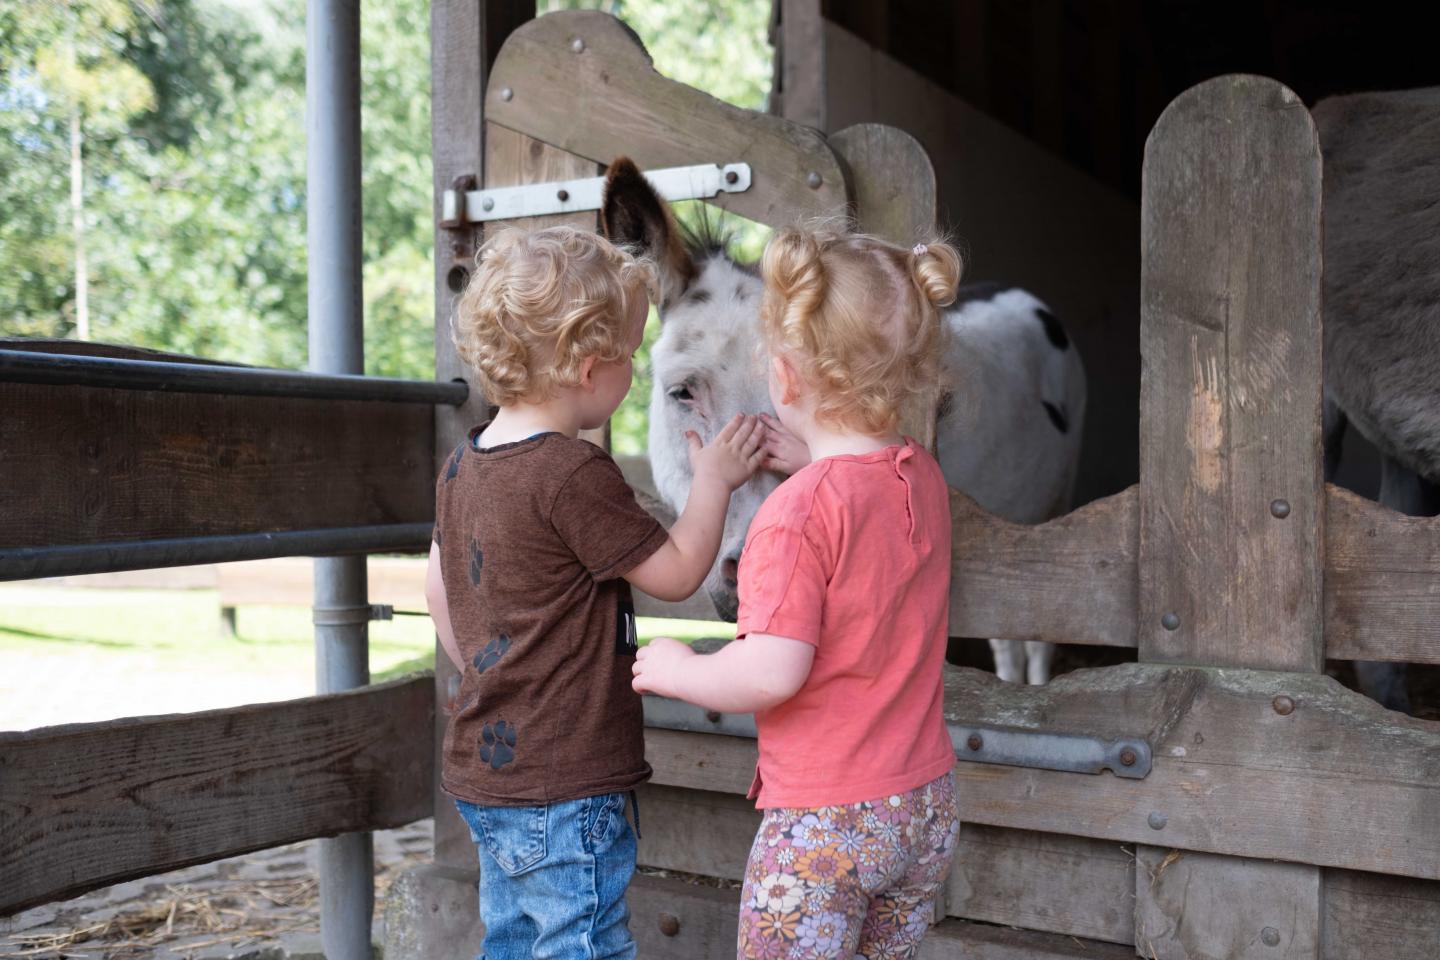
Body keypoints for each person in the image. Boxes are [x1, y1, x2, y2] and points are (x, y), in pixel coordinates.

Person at [426, 225, 764, 960]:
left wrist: (495, 670)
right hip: (566, 781)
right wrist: (712, 483)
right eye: (632, 357)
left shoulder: (464, 466)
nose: (635, 373)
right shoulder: (575, 474)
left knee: (514, 939)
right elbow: (675, 574)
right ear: (588, 369)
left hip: (483, 772)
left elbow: (441, 593)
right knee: (582, 944)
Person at [632, 224, 963, 960]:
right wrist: (812, 455)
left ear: (781, 378)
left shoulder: (795, 513)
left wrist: (679, 668)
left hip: (826, 825)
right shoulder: (920, 479)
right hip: (925, 808)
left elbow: (771, 670)